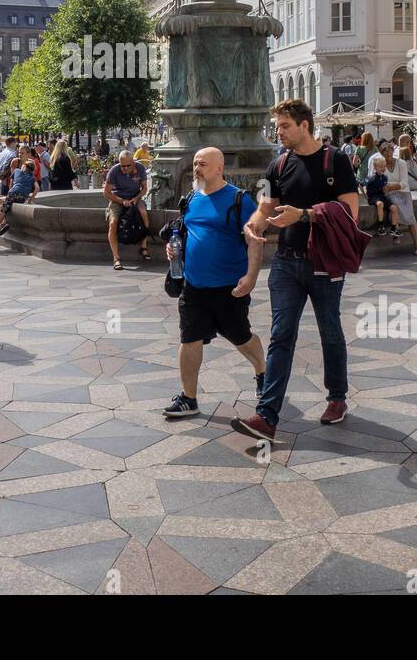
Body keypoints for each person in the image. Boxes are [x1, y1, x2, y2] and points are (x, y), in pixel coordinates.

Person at [232, 98, 359, 444]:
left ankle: (337, 397)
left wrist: (304, 215)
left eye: (284, 126)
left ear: (305, 125)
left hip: (323, 261)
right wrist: (253, 225)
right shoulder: (278, 164)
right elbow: (266, 206)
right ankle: (267, 416)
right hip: (286, 262)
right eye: (277, 126)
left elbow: (350, 213)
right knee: (280, 335)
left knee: (329, 330)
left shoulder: (337, 160)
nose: (279, 132)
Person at [161, 147, 265, 420]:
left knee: (241, 337)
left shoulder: (240, 200)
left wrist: (251, 276)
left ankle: (262, 372)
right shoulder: (191, 198)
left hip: (229, 287)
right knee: (189, 338)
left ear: (219, 168)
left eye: (203, 164)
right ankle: (188, 398)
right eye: (195, 163)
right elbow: (185, 233)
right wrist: (174, 250)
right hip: (194, 286)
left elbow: (254, 241)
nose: (197, 168)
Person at [104, 150, 150, 269]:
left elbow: (144, 188)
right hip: (117, 198)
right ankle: (116, 258)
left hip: (135, 197)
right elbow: (107, 193)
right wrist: (121, 201)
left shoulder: (140, 168)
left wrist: (136, 198)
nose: (124, 168)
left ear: (133, 162)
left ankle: (144, 246)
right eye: (122, 166)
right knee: (113, 222)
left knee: (144, 213)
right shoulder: (114, 171)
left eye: (127, 166)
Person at [0, 157, 37, 249]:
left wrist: (12, 166)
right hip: (21, 198)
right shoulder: (32, 178)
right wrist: (30, 200)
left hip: (11, 196)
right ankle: (4, 223)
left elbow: (10, 187)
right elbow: (37, 188)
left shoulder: (17, 171)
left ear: (24, 167)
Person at [383, 138, 417, 254]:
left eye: (390, 151)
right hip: (390, 194)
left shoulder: (401, 163)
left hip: (404, 192)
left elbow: (404, 182)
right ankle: (397, 234)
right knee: (395, 205)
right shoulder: (381, 163)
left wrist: (390, 186)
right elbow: (379, 180)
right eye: (385, 152)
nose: (388, 154)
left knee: (410, 216)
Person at [364, 153, 392, 236]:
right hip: (373, 197)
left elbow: (385, 189)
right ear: (375, 168)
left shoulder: (385, 177)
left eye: (384, 166)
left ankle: (394, 227)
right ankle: (381, 226)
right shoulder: (371, 178)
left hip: (381, 196)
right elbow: (364, 186)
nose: (383, 168)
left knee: (394, 207)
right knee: (380, 204)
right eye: (381, 167)